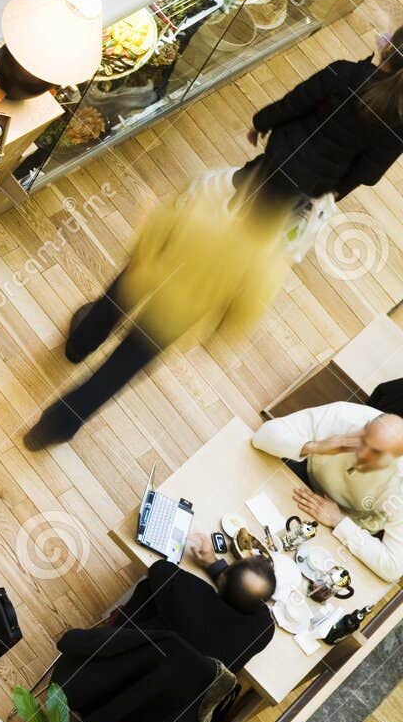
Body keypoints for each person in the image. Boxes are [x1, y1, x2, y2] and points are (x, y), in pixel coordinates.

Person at [24, 182, 287, 449]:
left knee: (105, 312)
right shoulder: (265, 266)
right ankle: (51, 430)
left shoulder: (210, 209)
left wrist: (140, 259)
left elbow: (157, 229)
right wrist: (214, 340)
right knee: (112, 376)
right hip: (172, 321)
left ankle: (78, 346)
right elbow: (241, 317)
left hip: (143, 281)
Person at [238, 25, 403, 212]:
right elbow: (370, 171)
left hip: (282, 152)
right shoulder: (399, 120)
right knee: (271, 215)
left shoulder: (345, 72)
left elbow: (294, 103)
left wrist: (261, 123)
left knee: (252, 182)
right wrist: (337, 192)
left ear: (388, 47)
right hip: (314, 183)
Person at [250, 403, 403, 582]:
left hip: (346, 526)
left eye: (376, 453)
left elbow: (393, 569)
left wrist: (339, 521)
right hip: (304, 478)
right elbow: (262, 436)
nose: (362, 454)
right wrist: (314, 446)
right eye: (365, 440)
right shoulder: (347, 415)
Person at [114, 535, 276, 673]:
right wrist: (214, 565)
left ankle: (114, 626)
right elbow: (253, 601)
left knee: (150, 588)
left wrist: (215, 566)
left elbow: (160, 568)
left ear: (223, 579)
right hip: (177, 696)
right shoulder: (265, 630)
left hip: (130, 661)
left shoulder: (188, 593)